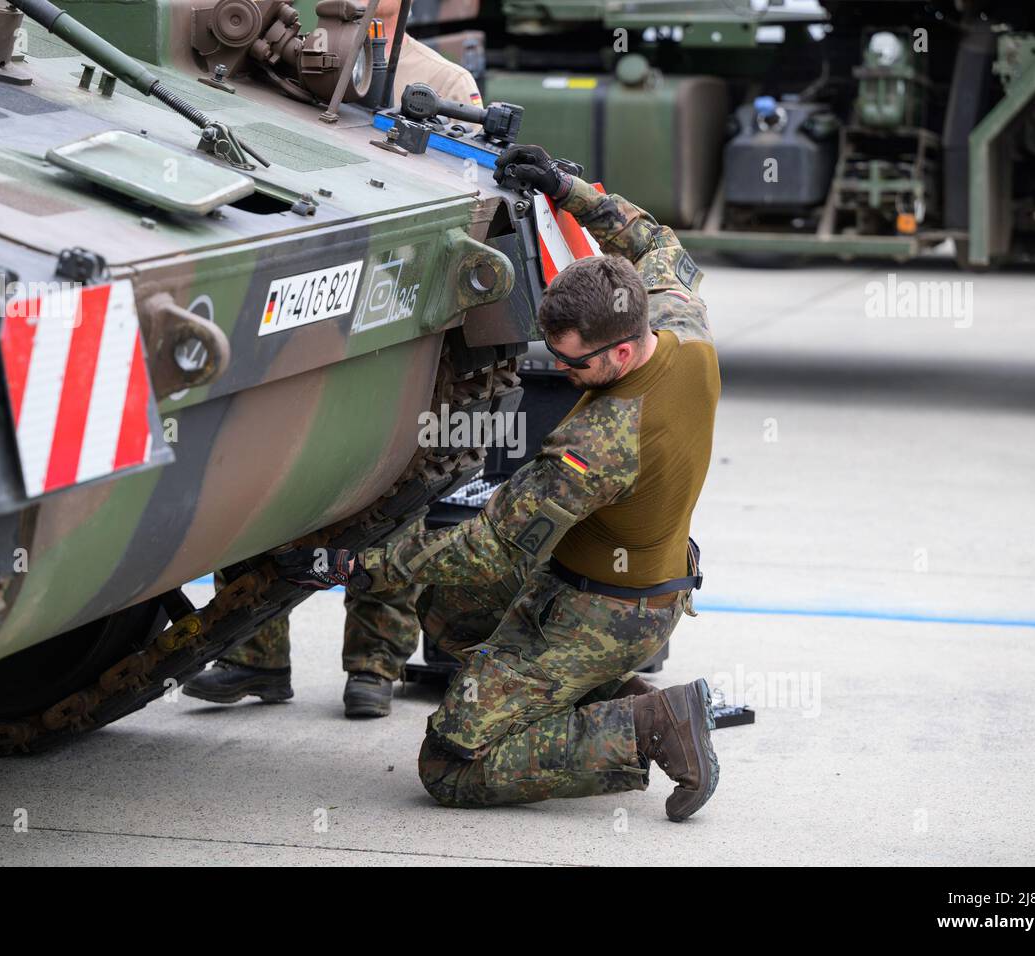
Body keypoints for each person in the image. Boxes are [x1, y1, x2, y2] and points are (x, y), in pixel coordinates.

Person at [276, 145, 722, 820]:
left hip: (604, 610)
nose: (562, 374)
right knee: (454, 612)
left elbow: (490, 548)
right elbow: (651, 239)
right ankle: (610, 695)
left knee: (452, 766)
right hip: (636, 578)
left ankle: (649, 725)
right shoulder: (678, 320)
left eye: (572, 364)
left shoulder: (593, 446)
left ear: (621, 351)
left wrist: (357, 565)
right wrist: (565, 188)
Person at [182, 12, 483, 719]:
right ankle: (253, 653)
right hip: (300, 294)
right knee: (257, 473)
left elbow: (471, 191)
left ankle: (372, 666)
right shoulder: (276, 54)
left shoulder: (439, 81)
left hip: (395, 300)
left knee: (390, 501)